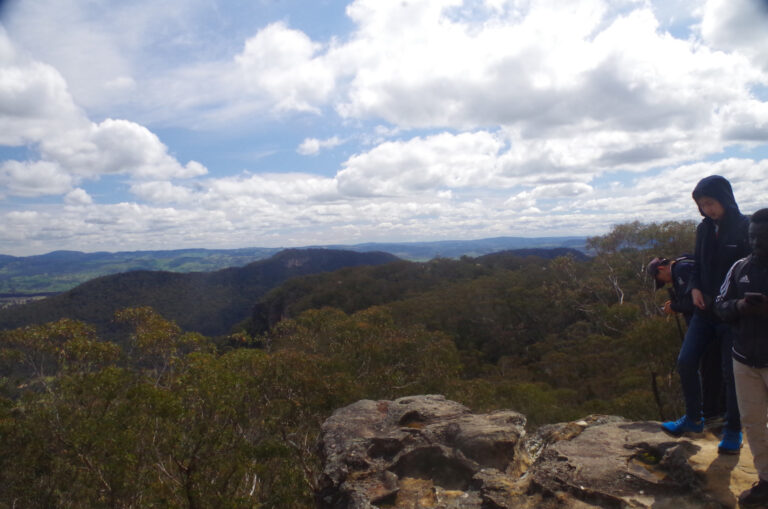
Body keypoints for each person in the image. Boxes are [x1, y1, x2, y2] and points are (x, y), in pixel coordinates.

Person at [659, 175, 750, 455]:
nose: (707, 209)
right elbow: (698, 264)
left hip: (731, 315)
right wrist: (695, 288)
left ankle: (733, 430)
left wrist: (735, 304)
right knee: (686, 361)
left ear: (724, 198)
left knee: (730, 375)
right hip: (704, 311)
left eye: (710, 203)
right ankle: (693, 418)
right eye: (702, 205)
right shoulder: (704, 229)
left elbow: (750, 270)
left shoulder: (745, 228)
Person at [715, 208, 768, 507]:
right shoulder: (739, 268)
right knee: (753, 422)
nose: (755, 243)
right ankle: (766, 480)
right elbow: (719, 306)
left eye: (762, 238)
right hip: (744, 359)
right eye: (752, 237)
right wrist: (739, 307)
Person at [648, 256, 726, 426]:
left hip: (708, 326)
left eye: (660, 279)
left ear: (661, 269)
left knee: (706, 368)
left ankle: (711, 414)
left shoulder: (681, 269)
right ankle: (714, 413)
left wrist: (674, 307)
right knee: (711, 368)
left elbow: (694, 302)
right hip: (712, 324)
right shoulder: (684, 268)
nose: (664, 283)